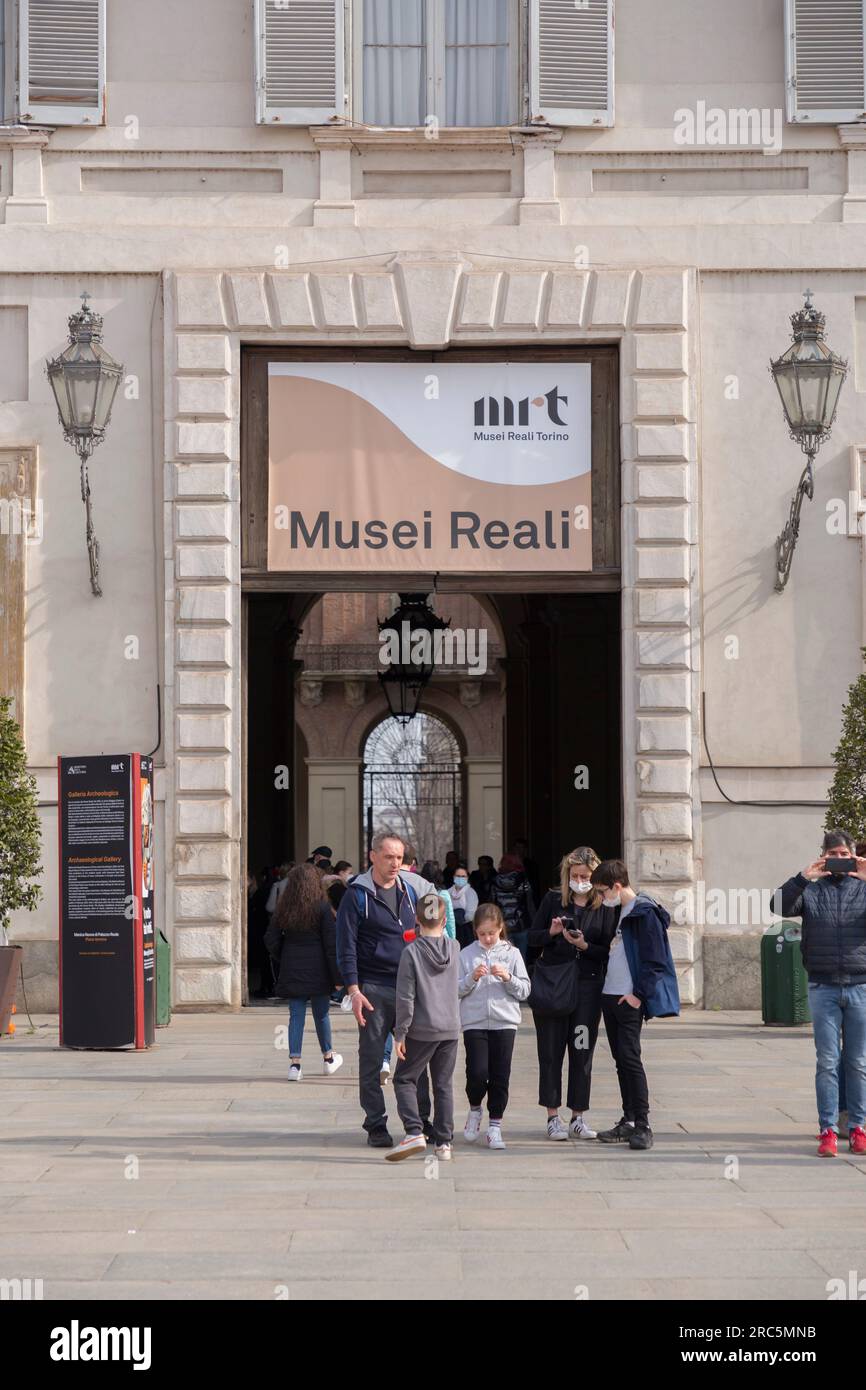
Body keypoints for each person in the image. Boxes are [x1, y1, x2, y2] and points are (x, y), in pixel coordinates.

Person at [772, 828, 866, 1158]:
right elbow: (778, 906)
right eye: (833, 854)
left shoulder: (863, 889)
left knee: (857, 1062)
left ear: (854, 856)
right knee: (827, 1061)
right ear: (823, 856)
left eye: (845, 855)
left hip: (860, 987)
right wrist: (802, 877)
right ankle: (827, 1129)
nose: (839, 860)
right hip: (822, 987)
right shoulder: (812, 890)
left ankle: (857, 1128)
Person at [335, 831, 430, 1147]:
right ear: (372, 856)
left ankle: (420, 1123)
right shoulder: (357, 895)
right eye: (389, 856)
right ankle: (376, 1124)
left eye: (400, 858)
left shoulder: (410, 893)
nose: (395, 864)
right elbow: (345, 945)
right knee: (373, 1060)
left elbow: (426, 938)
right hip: (373, 988)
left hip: (410, 989)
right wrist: (353, 989)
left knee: (416, 1059)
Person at [528, 847, 618, 1141]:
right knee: (551, 1053)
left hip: (586, 989)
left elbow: (607, 950)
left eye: (586, 876)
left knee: (581, 1051)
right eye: (575, 875)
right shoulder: (554, 899)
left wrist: (584, 947)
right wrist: (552, 933)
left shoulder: (604, 906)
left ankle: (578, 1115)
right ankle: (553, 1116)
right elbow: (532, 938)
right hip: (555, 987)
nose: (580, 880)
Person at [591, 858, 680, 1152]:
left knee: (630, 1059)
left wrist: (637, 995)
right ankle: (628, 1119)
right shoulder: (621, 910)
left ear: (617, 886)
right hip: (611, 994)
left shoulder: (644, 912)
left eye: (603, 891)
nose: (602, 898)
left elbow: (656, 961)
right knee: (620, 1061)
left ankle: (643, 1124)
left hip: (628, 998)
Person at [385, 893, 460, 1162]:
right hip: (450, 1027)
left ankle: (414, 1130)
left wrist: (400, 1032)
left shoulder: (411, 952)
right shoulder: (454, 948)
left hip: (422, 1028)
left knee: (404, 1079)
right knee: (443, 1085)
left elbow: (405, 997)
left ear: (416, 920)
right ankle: (444, 1143)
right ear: (443, 920)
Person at [458, 902, 530, 1149]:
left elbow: (525, 990)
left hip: (505, 1021)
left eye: (492, 933)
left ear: (501, 928)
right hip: (474, 1021)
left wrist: (508, 978)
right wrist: (472, 977)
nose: (488, 938)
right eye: (482, 934)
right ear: (475, 932)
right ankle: (475, 1109)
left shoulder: (512, 953)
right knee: (477, 1072)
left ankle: (495, 1125)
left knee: (501, 1075)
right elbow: (455, 989)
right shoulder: (466, 954)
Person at [264, 862, 343, 1081]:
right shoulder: (323, 907)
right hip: (319, 970)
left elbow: (270, 938)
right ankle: (328, 1058)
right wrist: (338, 977)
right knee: (322, 1014)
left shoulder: (284, 907)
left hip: (293, 968)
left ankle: (295, 1065)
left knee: (296, 1016)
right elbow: (330, 944)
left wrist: (284, 956)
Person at [488, 854, 536, 965]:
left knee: (503, 958)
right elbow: (529, 903)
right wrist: (534, 922)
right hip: (521, 924)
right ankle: (519, 980)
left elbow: (492, 904)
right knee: (521, 957)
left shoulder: (495, 881)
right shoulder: (523, 880)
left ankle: (505, 979)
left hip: (502, 925)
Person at [449, 862, 479, 949]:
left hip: (465, 929)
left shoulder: (471, 892)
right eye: (458, 876)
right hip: (449, 928)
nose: (460, 878)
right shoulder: (448, 892)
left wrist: (458, 918)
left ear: (467, 878)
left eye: (463, 876)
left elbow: (471, 915)